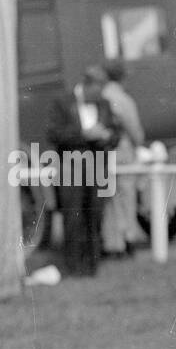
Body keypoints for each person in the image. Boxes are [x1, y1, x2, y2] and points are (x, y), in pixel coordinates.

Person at [45, 66, 120, 277]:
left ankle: (92, 266)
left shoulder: (104, 105)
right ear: (86, 85)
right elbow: (53, 133)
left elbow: (116, 134)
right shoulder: (62, 102)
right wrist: (84, 134)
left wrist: (107, 136)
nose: (99, 97)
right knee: (73, 217)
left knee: (95, 216)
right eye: (97, 91)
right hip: (71, 168)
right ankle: (74, 267)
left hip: (97, 168)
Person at [99, 58, 147, 257]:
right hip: (123, 153)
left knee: (110, 200)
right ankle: (128, 240)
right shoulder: (123, 99)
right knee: (127, 197)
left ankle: (113, 243)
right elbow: (134, 130)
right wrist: (139, 143)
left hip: (103, 153)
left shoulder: (100, 97)